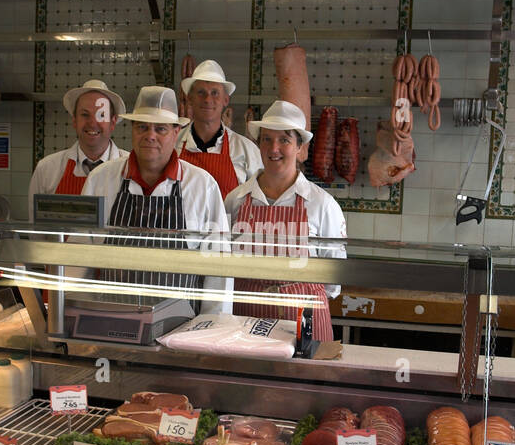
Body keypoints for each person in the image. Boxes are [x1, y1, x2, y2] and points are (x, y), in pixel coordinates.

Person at [81, 86, 231, 314]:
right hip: (112, 322)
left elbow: (218, 268)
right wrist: (79, 314)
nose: (150, 135)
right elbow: (80, 258)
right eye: (142, 127)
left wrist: (211, 331)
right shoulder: (100, 180)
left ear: (175, 132)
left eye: (160, 128)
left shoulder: (202, 185)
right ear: (132, 130)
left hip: (180, 331)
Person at [224, 100, 346, 340]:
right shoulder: (236, 200)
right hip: (246, 319)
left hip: (303, 320)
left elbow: (334, 280)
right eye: (267, 139)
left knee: (303, 378)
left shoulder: (322, 204)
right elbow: (221, 263)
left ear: (300, 148)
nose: (274, 148)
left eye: (285, 140)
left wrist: (297, 293)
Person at [26, 78, 125, 212]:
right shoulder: (47, 169)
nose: (92, 122)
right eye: (85, 114)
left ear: (112, 123)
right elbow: (36, 230)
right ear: (74, 121)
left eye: (101, 115)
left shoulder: (130, 168)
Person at [176, 59, 262, 198]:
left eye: (215, 93)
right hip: (182, 220)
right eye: (200, 92)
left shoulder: (246, 150)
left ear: (225, 100)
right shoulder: (173, 145)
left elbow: (259, 201)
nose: (207, 99)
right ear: (190, 98)